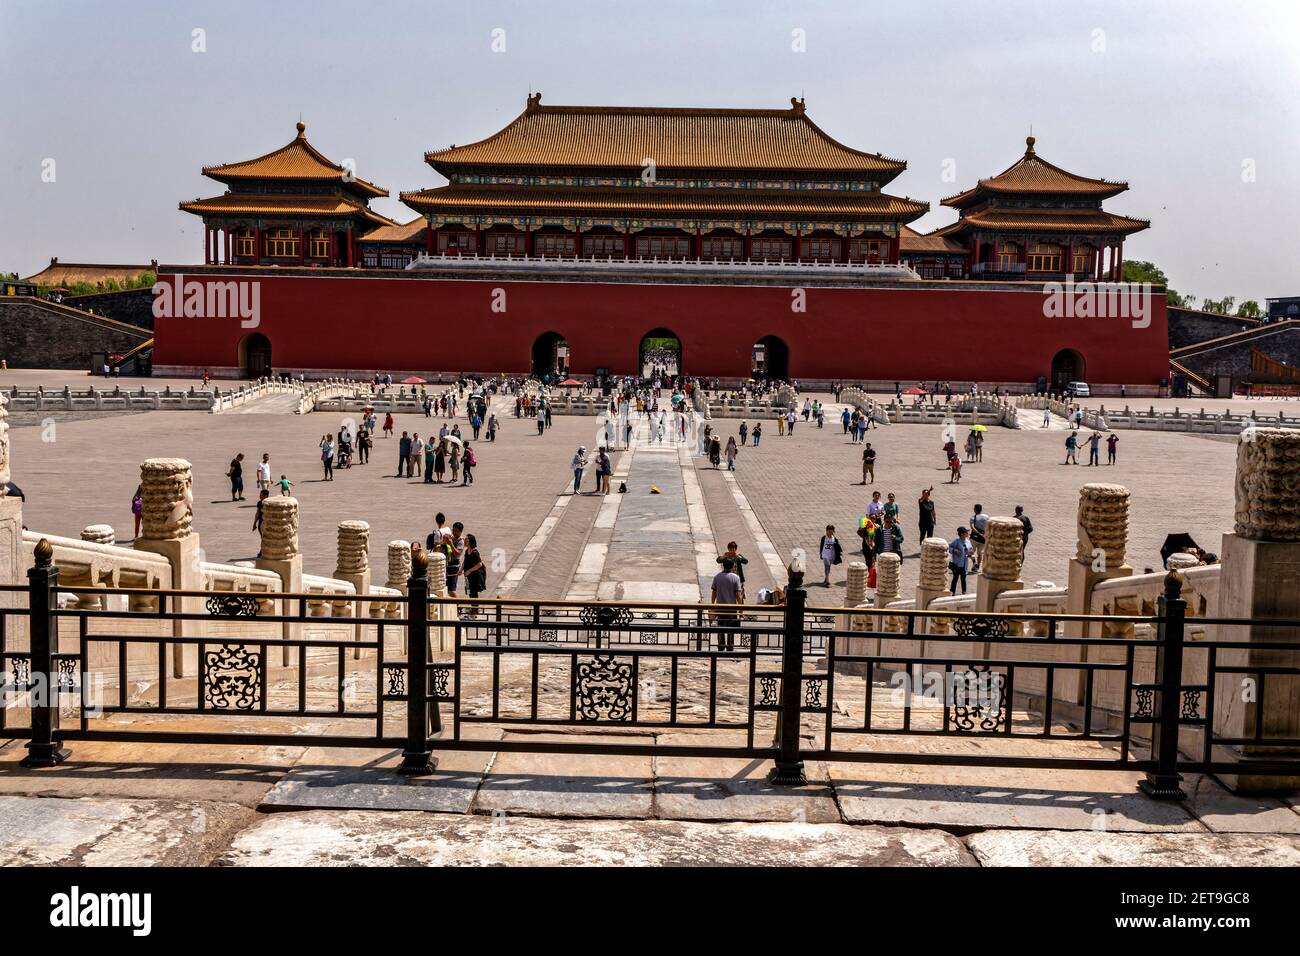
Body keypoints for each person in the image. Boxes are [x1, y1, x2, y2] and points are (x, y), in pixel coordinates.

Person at [710, 557, 744, 652]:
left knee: (720, 628)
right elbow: (738, 595)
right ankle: (730, 647)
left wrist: (712, 605)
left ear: (723, 566)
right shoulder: (736, 578)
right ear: (733, 566)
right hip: (732, 609)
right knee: (731, 629)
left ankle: (721, 646)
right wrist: (741, 609)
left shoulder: (717, 577)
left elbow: (714, 593)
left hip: (720, 608)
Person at [948, 526, 973, 595]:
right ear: (962, 534)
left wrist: (970, 554)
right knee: (955, 578)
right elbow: (948, 547)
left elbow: (970, 550)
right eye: (966, 532)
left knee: (963, 579)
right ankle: (952, 592)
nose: (968, 533)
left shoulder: (968, 541)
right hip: (957, 564)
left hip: (964, 564)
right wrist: (954, 550)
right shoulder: (957, 541)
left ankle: (964, 592)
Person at [462, 534, 487, 599]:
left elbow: (479, 564)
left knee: (474, 593)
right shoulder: (467, 551)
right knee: (470, 592)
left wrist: (469, 571)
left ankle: (475, 608)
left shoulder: (475, 553)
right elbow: (465, 561)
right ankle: (473, 607)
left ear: (470, 542)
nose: (464, 542)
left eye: (466, 540)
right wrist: (461, 570)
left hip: (475, 576)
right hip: (469, 576)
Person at [443, 522, 465, 596]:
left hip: (454, 567)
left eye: (456, 531)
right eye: (453, 530)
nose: (454, 532)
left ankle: (458, 605)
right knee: (446, 588)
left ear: (460, 532)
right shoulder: (451, 538)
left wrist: (450, 543)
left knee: (451, 590)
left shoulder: (461, 541)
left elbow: (457, 553)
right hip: (447, 565)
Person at [969, 504, 989, 572]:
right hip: (983, 538)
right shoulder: (986, 517)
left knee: (970, 552)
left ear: (975, 509)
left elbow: (972, 527)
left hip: (974, 537)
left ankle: (974, 563)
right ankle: (978, 566)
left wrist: (978, 533)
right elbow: (989, 526)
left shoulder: (973, 517)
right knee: (980, 553)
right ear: (981, 509)